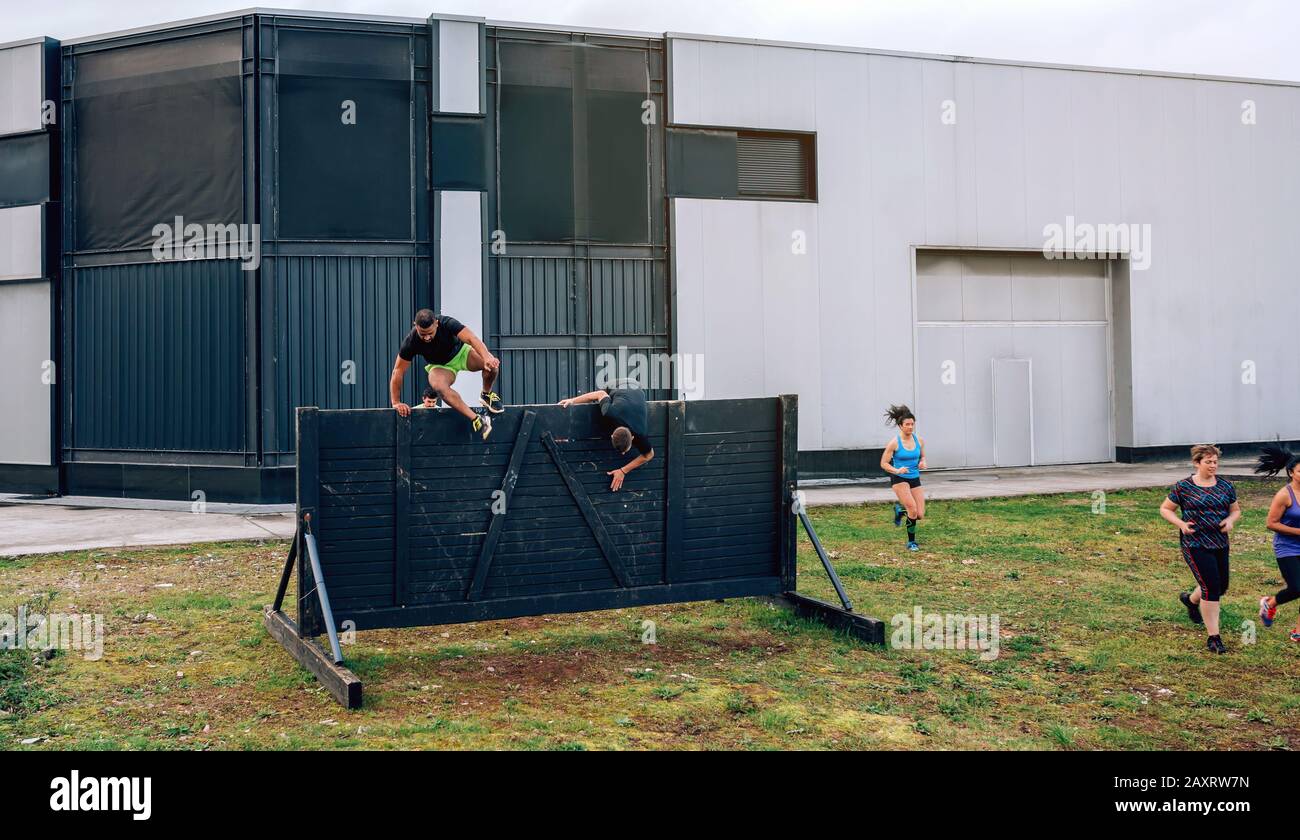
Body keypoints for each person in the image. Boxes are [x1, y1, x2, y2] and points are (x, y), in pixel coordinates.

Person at [1160, 444, 1241, 654]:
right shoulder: (1184, 487)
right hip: (1195, 542)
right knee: (1211, 588)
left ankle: (1190, 600)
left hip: (1220, 541)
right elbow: (1166, 509)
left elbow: (1236, 510)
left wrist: (1231, 521)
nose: (1213, 466)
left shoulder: (1225, 486)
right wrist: (1181, 524)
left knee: (1221, 586)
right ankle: (1214, 637)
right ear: (1197, 463)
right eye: (1208, 462)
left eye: (1215, 462)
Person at [389, 309, 502, 440]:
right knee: (439, 388)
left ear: (436, 323)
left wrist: (487, 357)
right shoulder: (411, 341)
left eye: (430, 333)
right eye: (422, 334)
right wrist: (395, 402)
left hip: (462, 353)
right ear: (415, 325)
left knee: (492, 366)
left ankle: (486, 394)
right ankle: (478, 420)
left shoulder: (447, 322)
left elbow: (471, 338)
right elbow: (398, 371)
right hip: (440, 367)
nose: (426, 338)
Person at [558, 386, 655, 491]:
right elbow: (600, 393)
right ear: (612, 435)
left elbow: (649, 455)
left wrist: (623, 471)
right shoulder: (610, 412)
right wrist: (573, 400)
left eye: (625, 451)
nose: (623, 454)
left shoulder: (640, 431)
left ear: (632, 437)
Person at [1254, 445, 1300, 643]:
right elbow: (1271, 523)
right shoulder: (1284, 494)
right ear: (1291, 472)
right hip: (1287, 548)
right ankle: (1269, 603)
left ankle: (1298, 631)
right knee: (1297, 588)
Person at [880, 404, 926, 552]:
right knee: (912, 509)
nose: (910, 427)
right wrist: (897, 469)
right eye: (907, 424)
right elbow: (884, 464)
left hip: (915, 477)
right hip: (899, 478)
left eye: (912, 424)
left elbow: (922, 456)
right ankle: (911, 542)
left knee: (919, 514)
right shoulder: (894, 443)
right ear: (900, 426)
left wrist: (923, 461)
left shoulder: (919, 440)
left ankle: (900, 512)